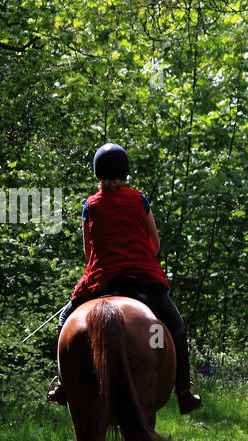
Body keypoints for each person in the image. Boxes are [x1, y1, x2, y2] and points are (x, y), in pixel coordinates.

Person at [47, 143, 202, 413]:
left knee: (64, 321)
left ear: (98, 173)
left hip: (101, 280)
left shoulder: (90, 205)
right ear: (125, 172)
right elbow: (154, 245)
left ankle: (62, 385)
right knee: (176, 326)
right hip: (143, 278)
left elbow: (88, 252)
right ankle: (185, 392)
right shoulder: (139, 200)